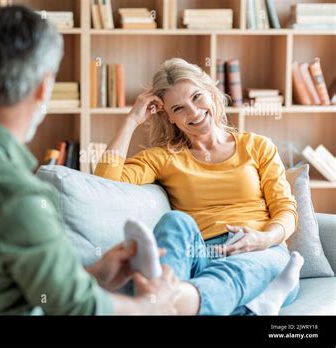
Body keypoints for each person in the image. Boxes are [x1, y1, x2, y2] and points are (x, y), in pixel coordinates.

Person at [0, 6, 194, 315]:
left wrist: (94, 275)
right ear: (44, 87)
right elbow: (79, 309)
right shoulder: (16, 194)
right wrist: (151, 307)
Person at [95, 58, 304, 315]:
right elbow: (105, 182)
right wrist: (132, 120)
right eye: (179, 108)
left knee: (243, 270)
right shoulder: (164, 157)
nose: (193, 112)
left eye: (197, 97)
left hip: (262, 250)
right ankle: (246, 302)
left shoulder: (257, 146)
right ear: (169, 118)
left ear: (211, 91)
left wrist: (264, 238)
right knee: (175, 221)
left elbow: (286, 209)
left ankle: (169, 302)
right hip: (201, 254)